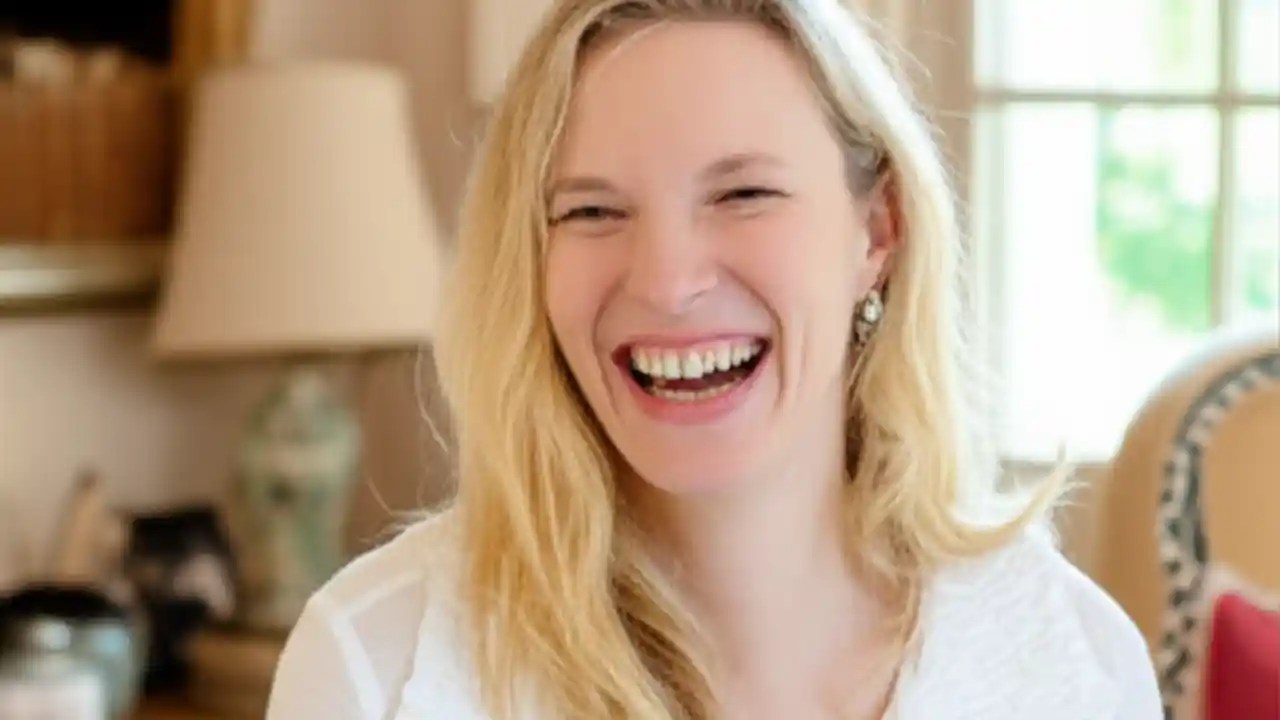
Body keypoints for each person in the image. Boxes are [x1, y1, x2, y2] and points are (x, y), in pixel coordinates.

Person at [267, 1, 1163, 718]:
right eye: (590, 211)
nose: (665, 282)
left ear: (877, 231)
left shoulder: (1073, 665)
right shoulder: (378, 666)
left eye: (744, 193)